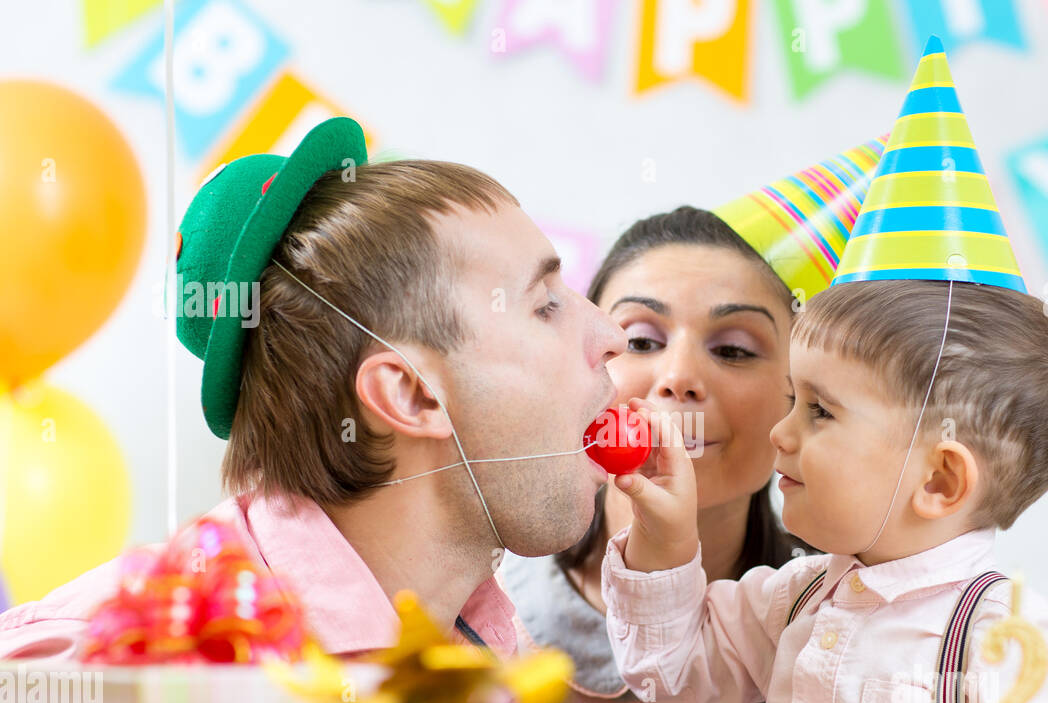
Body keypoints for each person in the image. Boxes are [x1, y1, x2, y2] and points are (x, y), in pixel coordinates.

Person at [599, 38, 1048, 703]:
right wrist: (666, 538)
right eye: (790, 400)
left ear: (941, 481)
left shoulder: (1011, 649)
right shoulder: (792, 595)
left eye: (818, 412)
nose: (780, 432)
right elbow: (668, 676)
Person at [0, 116, 624, 660]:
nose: (610, 335)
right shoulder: (110, 669)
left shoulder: (494, 654)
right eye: (544, 305)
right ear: (411, 395)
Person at [500, 137, 888, 703]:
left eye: (734, 349)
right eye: (642, 340)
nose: (679, 375)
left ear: (797, 397)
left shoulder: (848, 628)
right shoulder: (485, 621)